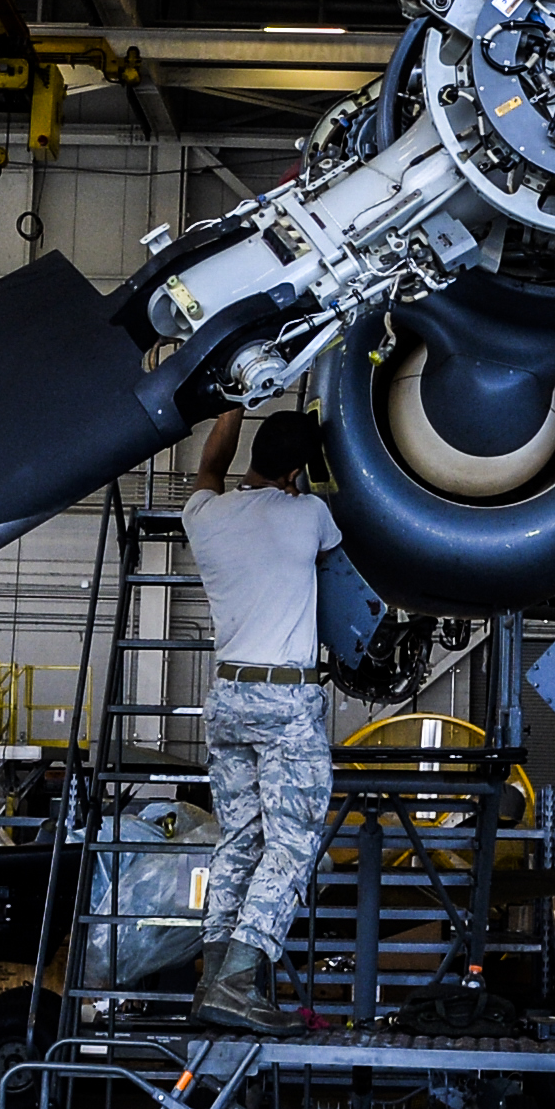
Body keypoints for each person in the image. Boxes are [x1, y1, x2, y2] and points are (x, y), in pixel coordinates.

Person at [180, 406, 343, 1033]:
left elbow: (210, 467)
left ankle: (214, 979)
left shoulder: (205, 515)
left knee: (238, 839)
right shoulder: (308, 516)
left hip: (226, 698)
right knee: (291, 844)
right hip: (285, 703)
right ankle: (237, 981)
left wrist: (227, 411)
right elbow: (337, 546)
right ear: (298, 472)